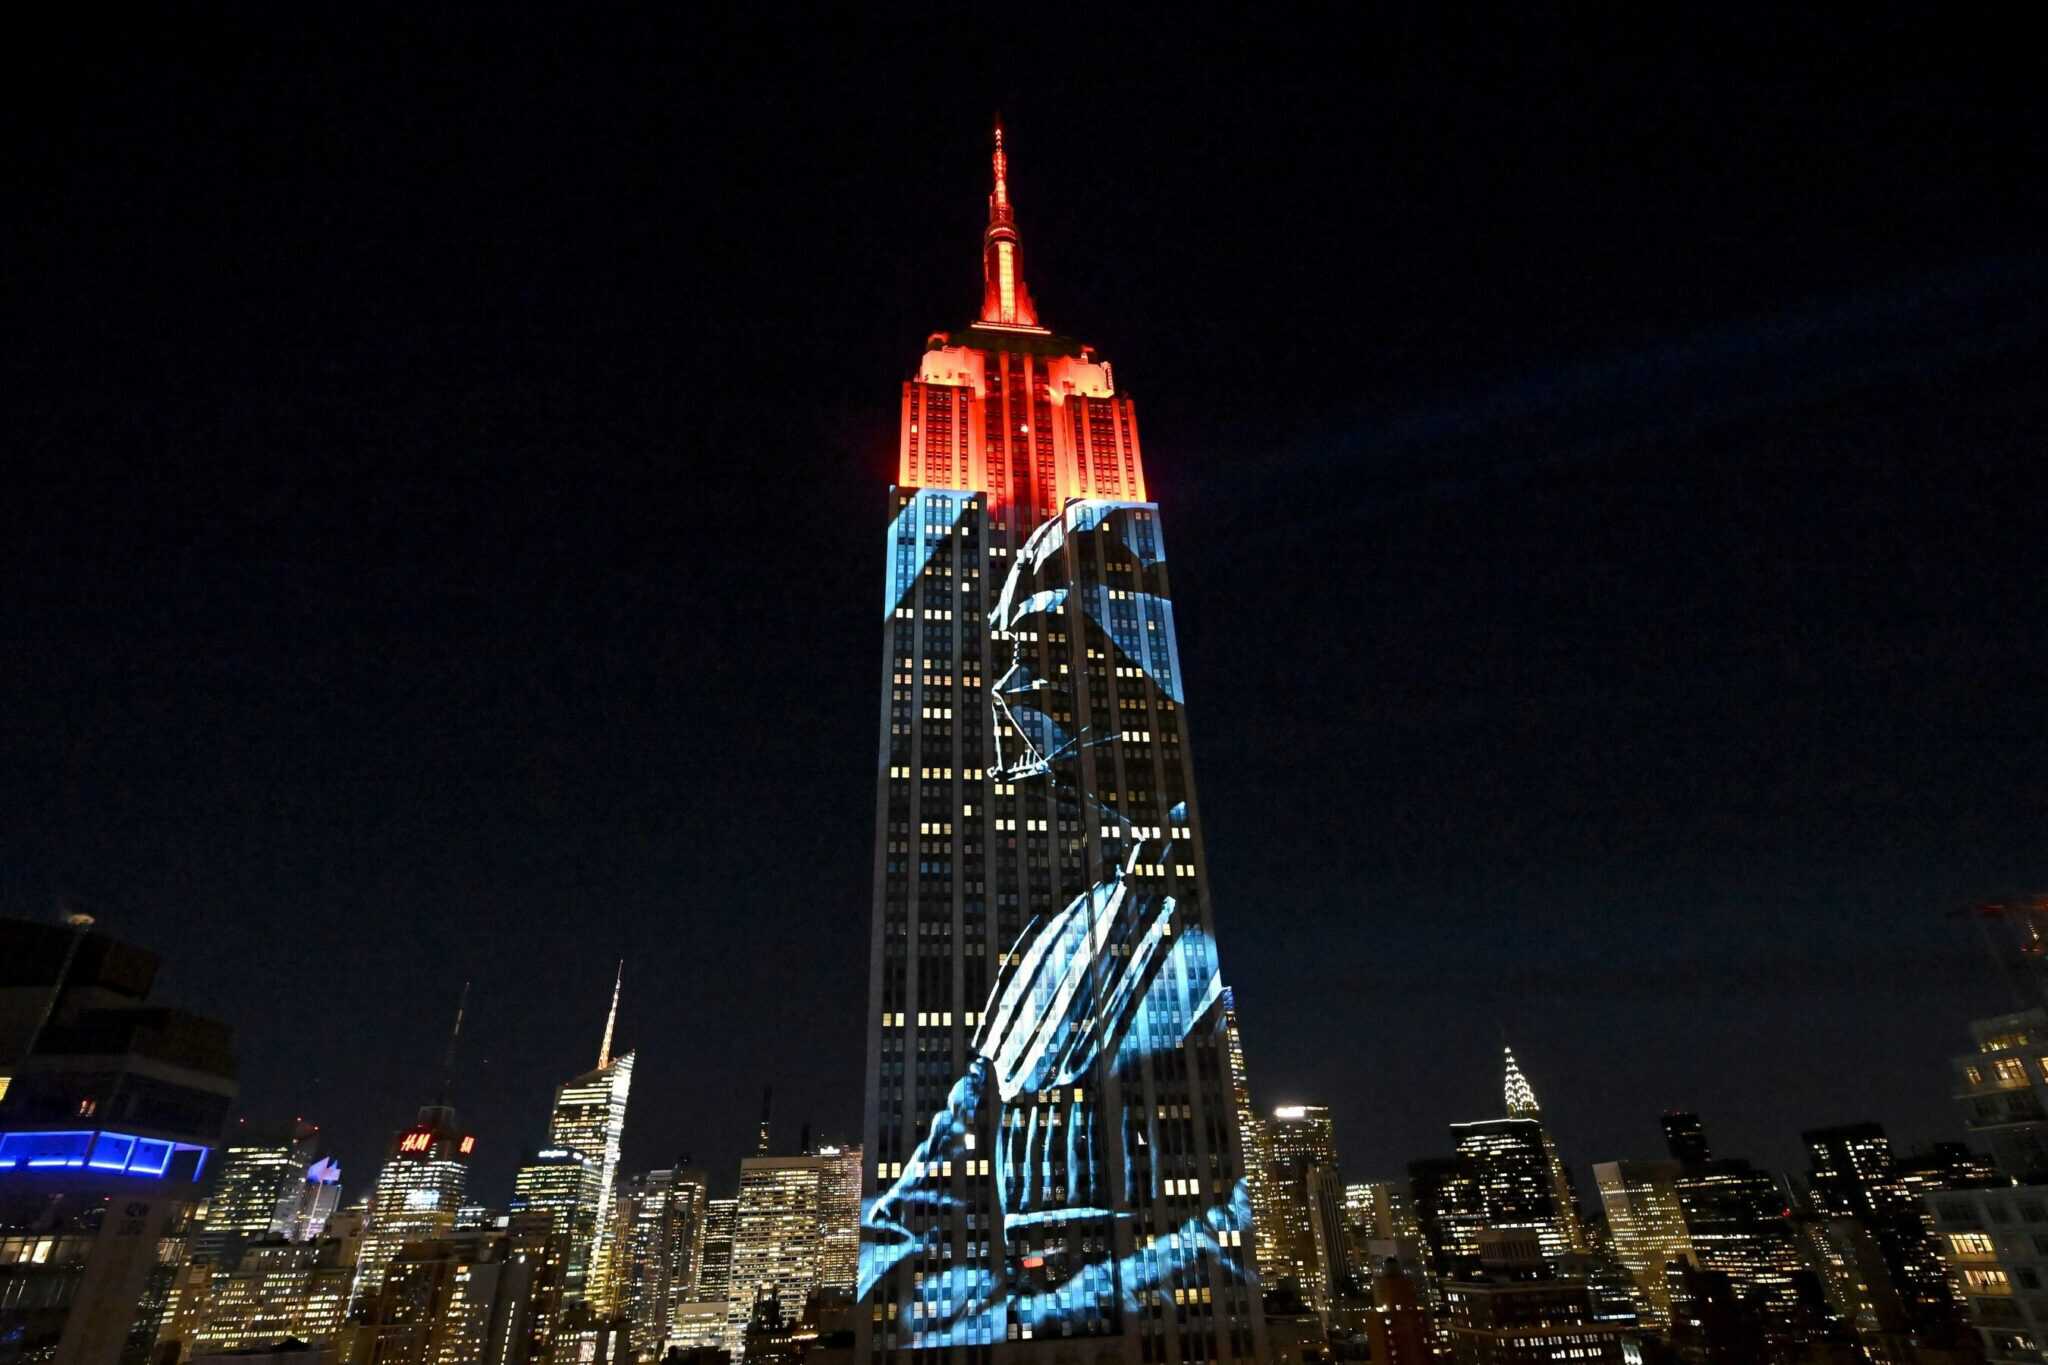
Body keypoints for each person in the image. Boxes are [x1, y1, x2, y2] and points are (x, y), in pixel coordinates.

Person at [860, 498, 1255, 1347]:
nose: (1015, 692)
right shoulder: (1050, 945)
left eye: (1043, 651)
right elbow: (910, 1208)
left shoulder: (1209, 930)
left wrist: (1024, 1315)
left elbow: (1231, 1226)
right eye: (1015, 658)